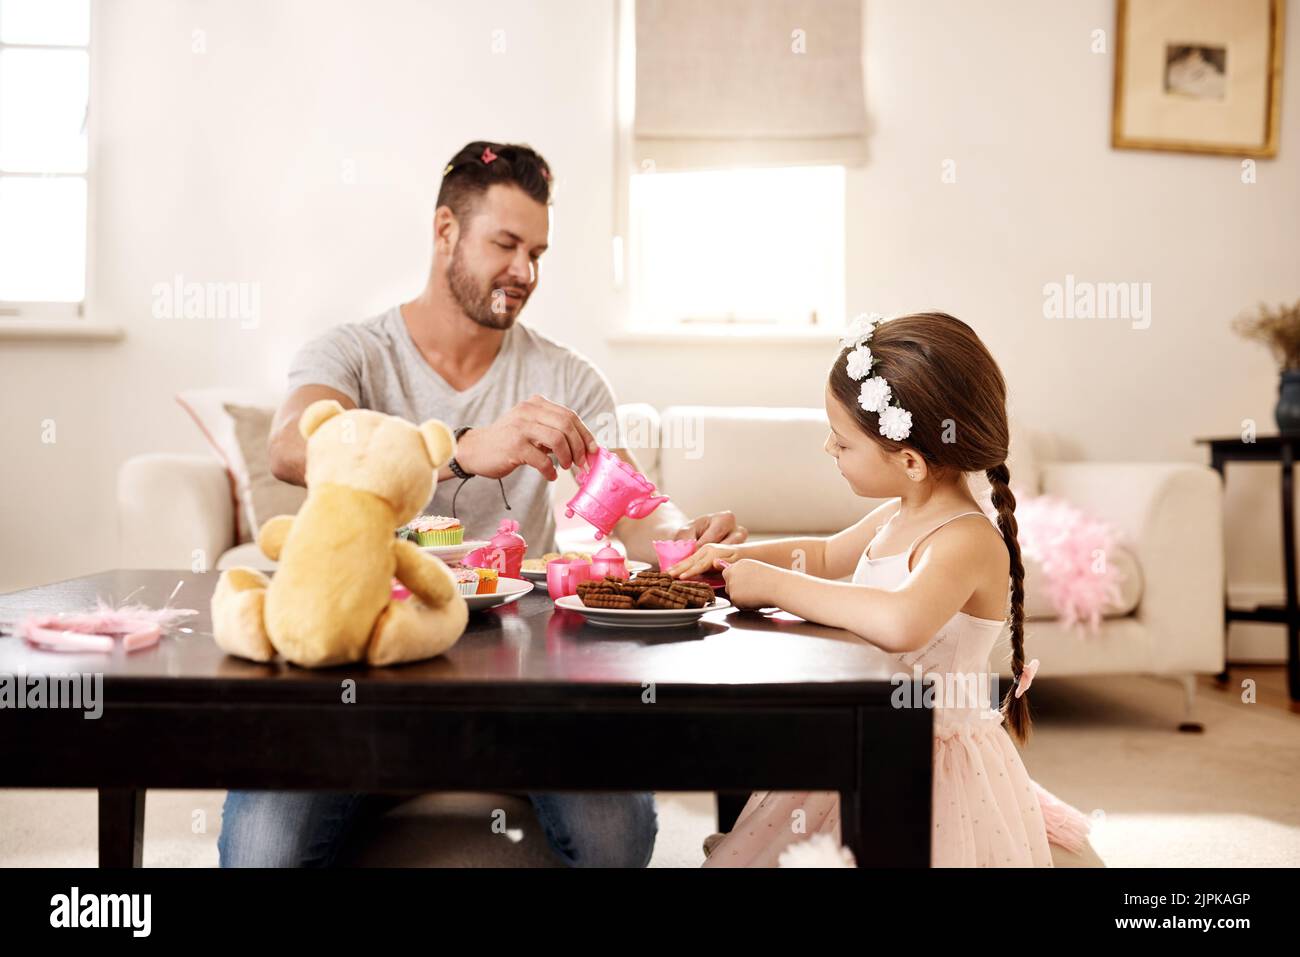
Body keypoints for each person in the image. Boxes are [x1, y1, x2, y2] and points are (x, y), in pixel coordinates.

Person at [218, 141, 747, 868]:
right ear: (445, 233)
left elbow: (631, 503)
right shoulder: (354, 353)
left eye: (537, 252)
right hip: (364, 670)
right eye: (505, 243)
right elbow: (290, 446)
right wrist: (460, 449)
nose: (524, 272)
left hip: (527, 686)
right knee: (260, 853)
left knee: (617, 836)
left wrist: (689, 537)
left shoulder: (568, 376)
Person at [669, 312, 1090, 867]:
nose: (828, 448)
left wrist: (774, 584)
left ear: (910, 461)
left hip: (930, 763)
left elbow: (901, 621)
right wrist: (734, 558)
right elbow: (821, 556)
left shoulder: (964, 539)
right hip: (867, 737)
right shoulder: (898, 514)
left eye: (842, 443)